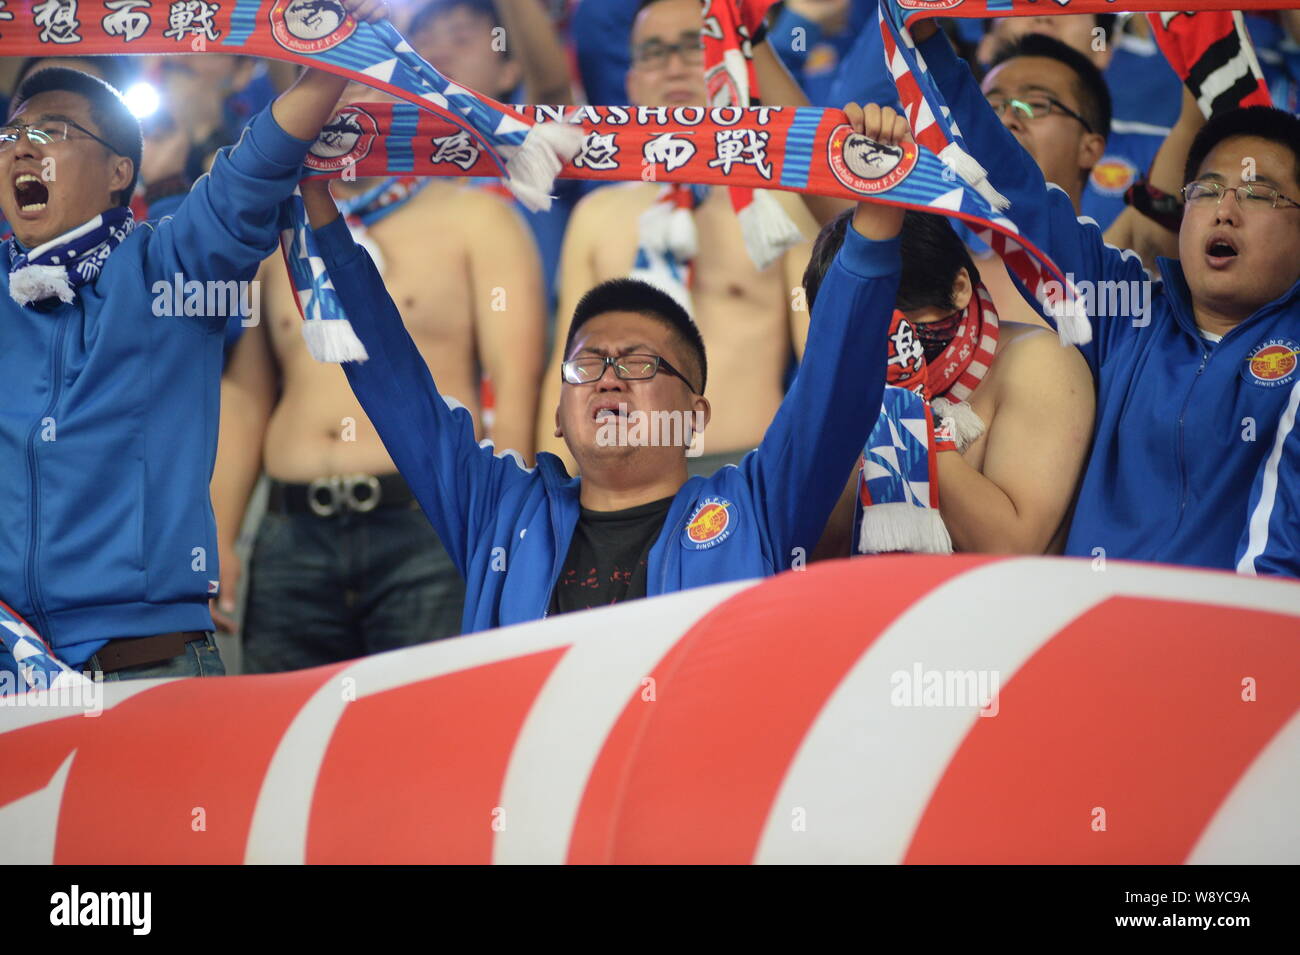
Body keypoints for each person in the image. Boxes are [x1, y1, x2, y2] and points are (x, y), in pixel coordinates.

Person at [306, 100, 906, 628]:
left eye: (642, 365)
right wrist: (319, 211)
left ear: (696, 417)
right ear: (560, 418)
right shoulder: (497, 514)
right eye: (586, 365)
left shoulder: (757, 507)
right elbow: (395, 387)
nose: (609, 377)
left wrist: (875, 222)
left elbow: (835, 383)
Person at [0, 0, 391, 685]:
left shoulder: (172, 264)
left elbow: (256, 168)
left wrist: (329, 59)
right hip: (13, 675)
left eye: (54, 130)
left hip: (145, 669)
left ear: (121, 171)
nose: (25, 146)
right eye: (12, 133)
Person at [913, 25, 1300, 576]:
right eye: (1207, 190)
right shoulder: (1124, 311)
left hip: (1234, 642)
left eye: (1259, 193)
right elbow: (1015, 193)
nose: (1225, 209)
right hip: (1091, 635)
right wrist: (931, 46)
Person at [214, 111, 547, 673]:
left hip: (427, 522)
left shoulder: (476, 219)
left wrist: (503, 528)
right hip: (290, 529)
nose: (346, 105)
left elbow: (515, 386)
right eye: (327, 87)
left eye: (363, 85)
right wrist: (219, 533)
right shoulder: (276, 235)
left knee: (431, 732)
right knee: (289, 740)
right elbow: (245, 395)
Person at [536, 0, 817, 477]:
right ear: (631, 82)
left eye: (694, 47)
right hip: (617, 484)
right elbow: (568, 375)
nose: (672, 67)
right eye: (653, 52)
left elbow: (821, 362)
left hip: (749, 474)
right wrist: (551, 497)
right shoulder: (596, 216)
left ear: (732, 64)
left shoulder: (779, 204)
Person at [805, 211, 1095, 558]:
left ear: (958, 288)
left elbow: (1009, 546)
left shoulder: (1038, 362)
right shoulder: (849, 383)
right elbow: (815, 547)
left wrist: (908, 414)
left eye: (893, 328)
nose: (873, 348)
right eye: (855, 334)